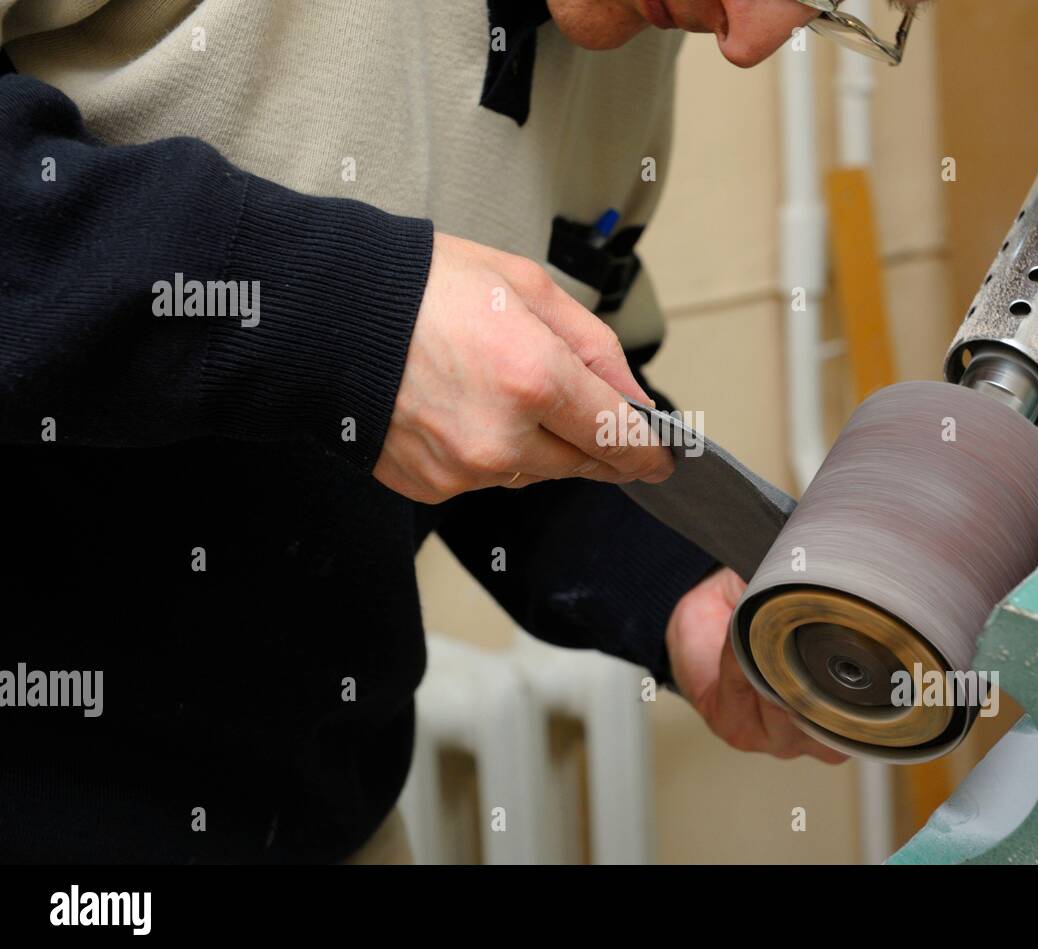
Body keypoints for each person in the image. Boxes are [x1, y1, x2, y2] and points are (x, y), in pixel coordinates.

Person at [0, 0, 847, 864]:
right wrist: (346, 312)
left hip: (330, 822)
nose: (754, 41)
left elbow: (498, 406)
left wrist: (683, 586)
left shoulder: (640, 51)